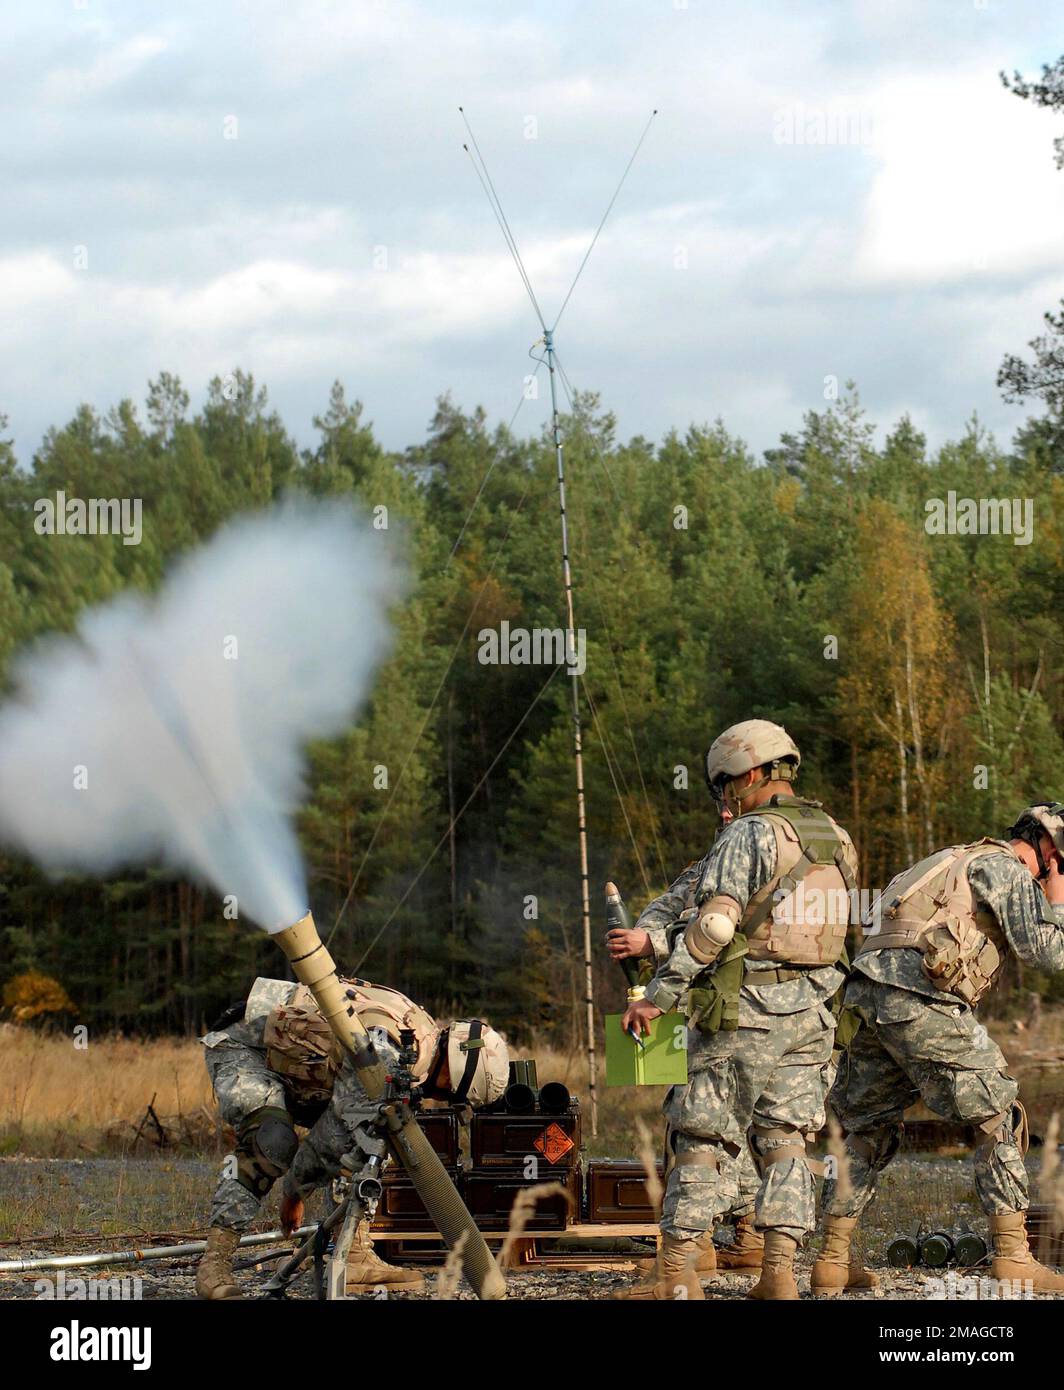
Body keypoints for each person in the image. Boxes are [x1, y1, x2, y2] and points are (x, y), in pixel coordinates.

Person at [618, 719, 858, 1300]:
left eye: (726, 784)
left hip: (743, 1011)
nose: (725, 796)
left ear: (750, 774)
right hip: (814, 1017)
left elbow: (717, 923)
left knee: (701, 1136)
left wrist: (658, 996)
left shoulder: (749, 834)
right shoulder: (836, 836)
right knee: (786, 1143)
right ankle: (777, 1276)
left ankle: (677, 1274)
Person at [815, 802, 1064, 1296]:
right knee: (999, 1111)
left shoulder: (949, 859)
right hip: (918, 998)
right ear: (1051, 849)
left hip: (867, 996)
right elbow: (1049, 953)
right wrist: (1057, 901)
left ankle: (830, 1261)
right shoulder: (1006, 869)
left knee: (866, 1128)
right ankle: (1013, 1256)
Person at [196, 974, 508, 1299]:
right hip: (247, 1050)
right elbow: (331, 1138)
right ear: (452, 1076)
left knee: (374, 1130)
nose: (446, 1100)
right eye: (454, 1094)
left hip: (303, 1068)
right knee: (273, 1139)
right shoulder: (390, 1052)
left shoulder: (422, 1043)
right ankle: (214, 1265)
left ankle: (354, 1253)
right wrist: (294, 1191)